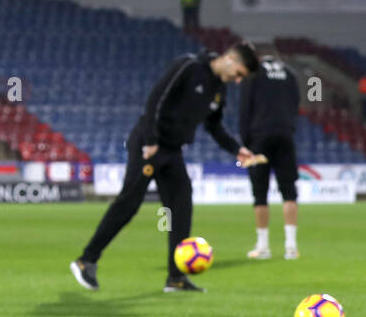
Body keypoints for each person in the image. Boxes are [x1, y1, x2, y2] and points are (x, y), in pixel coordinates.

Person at [70, 42, 259, 293]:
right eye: (239, 75)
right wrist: (150, 141)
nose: (237, 81)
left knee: (181, 205)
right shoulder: (188, 66)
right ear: (231, 60)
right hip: (150, 144)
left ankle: (176, 277)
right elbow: (155, 99)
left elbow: (214, 127)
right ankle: (86, 260)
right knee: (129, 204)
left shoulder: (218, 90)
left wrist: (237, 149)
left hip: (172, 150)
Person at [240, 55, 301, 260]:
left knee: (260, 194)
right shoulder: (290, 74)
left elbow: (245, 109)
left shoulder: (253, 73)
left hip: (259, 139)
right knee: (290, 192)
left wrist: (245, 142)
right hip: (285, 136)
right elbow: (296, 104)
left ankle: (263, 246)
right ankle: (291, 246)